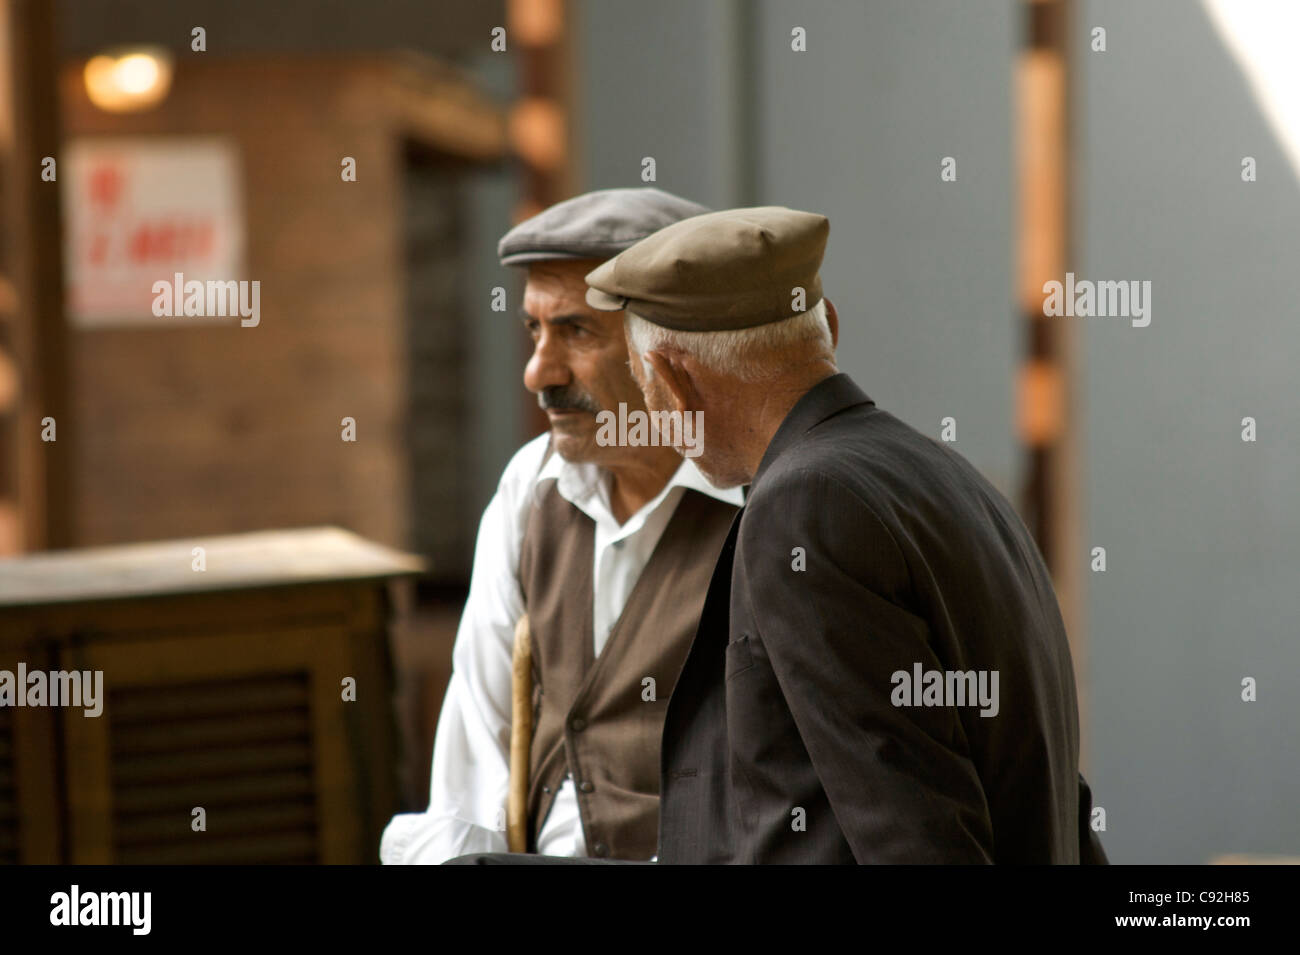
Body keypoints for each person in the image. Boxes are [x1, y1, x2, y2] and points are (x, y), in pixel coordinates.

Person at [584, 205, 1108, 863]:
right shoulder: (954, 480)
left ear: (672, 379)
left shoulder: (804, 506)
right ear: (828, 324)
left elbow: (912, 841)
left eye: (644, 387)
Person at [380, 189, 741, 863]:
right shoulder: (530, 488)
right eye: (533, 331)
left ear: (673, 344)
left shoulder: (764, 510)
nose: (537, 372)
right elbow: (471, 778)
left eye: (575, 331)